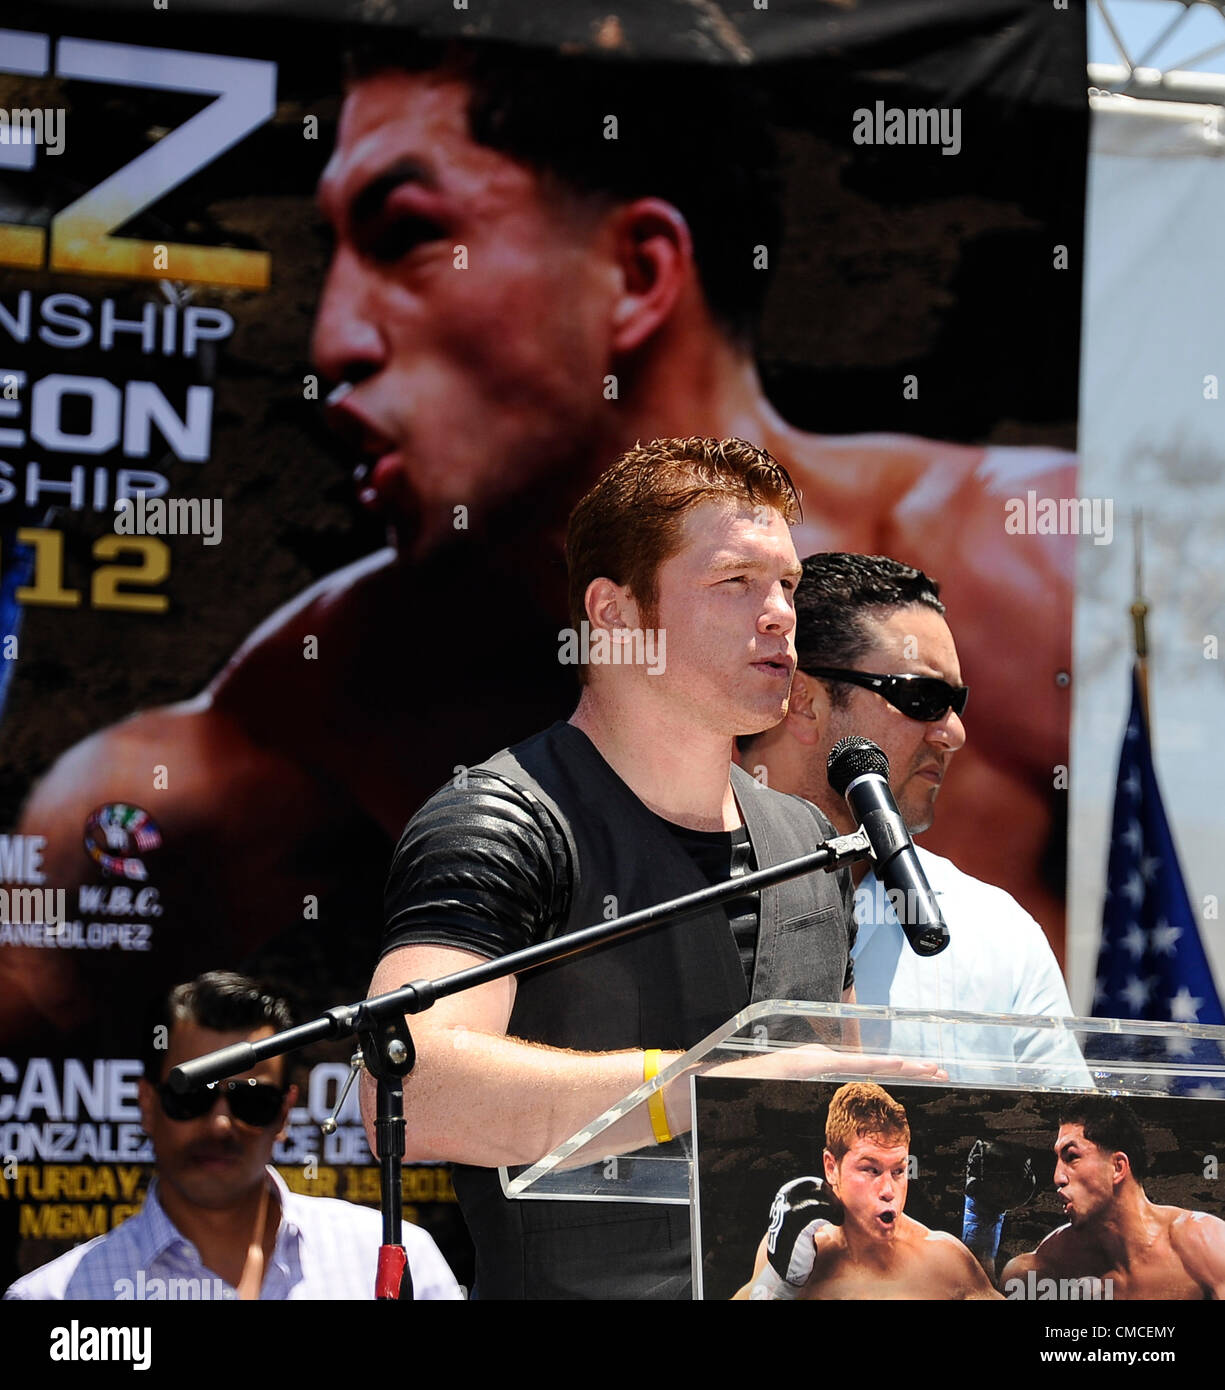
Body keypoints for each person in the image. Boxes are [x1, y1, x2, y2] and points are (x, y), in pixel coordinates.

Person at [4, 42, 1071, 1053]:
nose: (332, 340)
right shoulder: (331, 718)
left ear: (638, 273)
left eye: (408, 234)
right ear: (607, 617)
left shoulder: (1031, 582)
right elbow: (414, 1080)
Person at [367, 437, 939, 1300]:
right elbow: (405, 1086)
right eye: (735, 582)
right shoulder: (500, 821)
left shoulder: (810, 842)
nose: (782, 612)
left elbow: (829, 1094)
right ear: (615, 613)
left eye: (786, 583)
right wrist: (701, 1089)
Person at [739, 552, 1088, 1086]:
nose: (953, 733)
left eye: (957, 703)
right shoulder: (676, 895)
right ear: (804, 701)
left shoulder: (998, 935)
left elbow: (1075, 1154)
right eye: (923, 697)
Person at [3, 971, 462, 1301]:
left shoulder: (398, 1262)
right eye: (193, 1098)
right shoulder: (54, 1297)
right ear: (147, 1105)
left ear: (284, 1112)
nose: (221, 1124)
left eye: (250, 1101)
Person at [735, 1081, 999, 1300]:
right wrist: (781, 1286)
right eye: (870, 1170)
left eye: (898, 1171)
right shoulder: (792, 1247)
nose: (888, 1190)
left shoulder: (942, 1261)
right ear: (831, 1167)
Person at [1000, 1097, 1225, 1300]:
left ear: (1117, 1167)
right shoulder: (1042, 1270)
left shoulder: (1205, 1244)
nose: (1058, 1177)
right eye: (1058, 1160)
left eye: (1072, 1157)